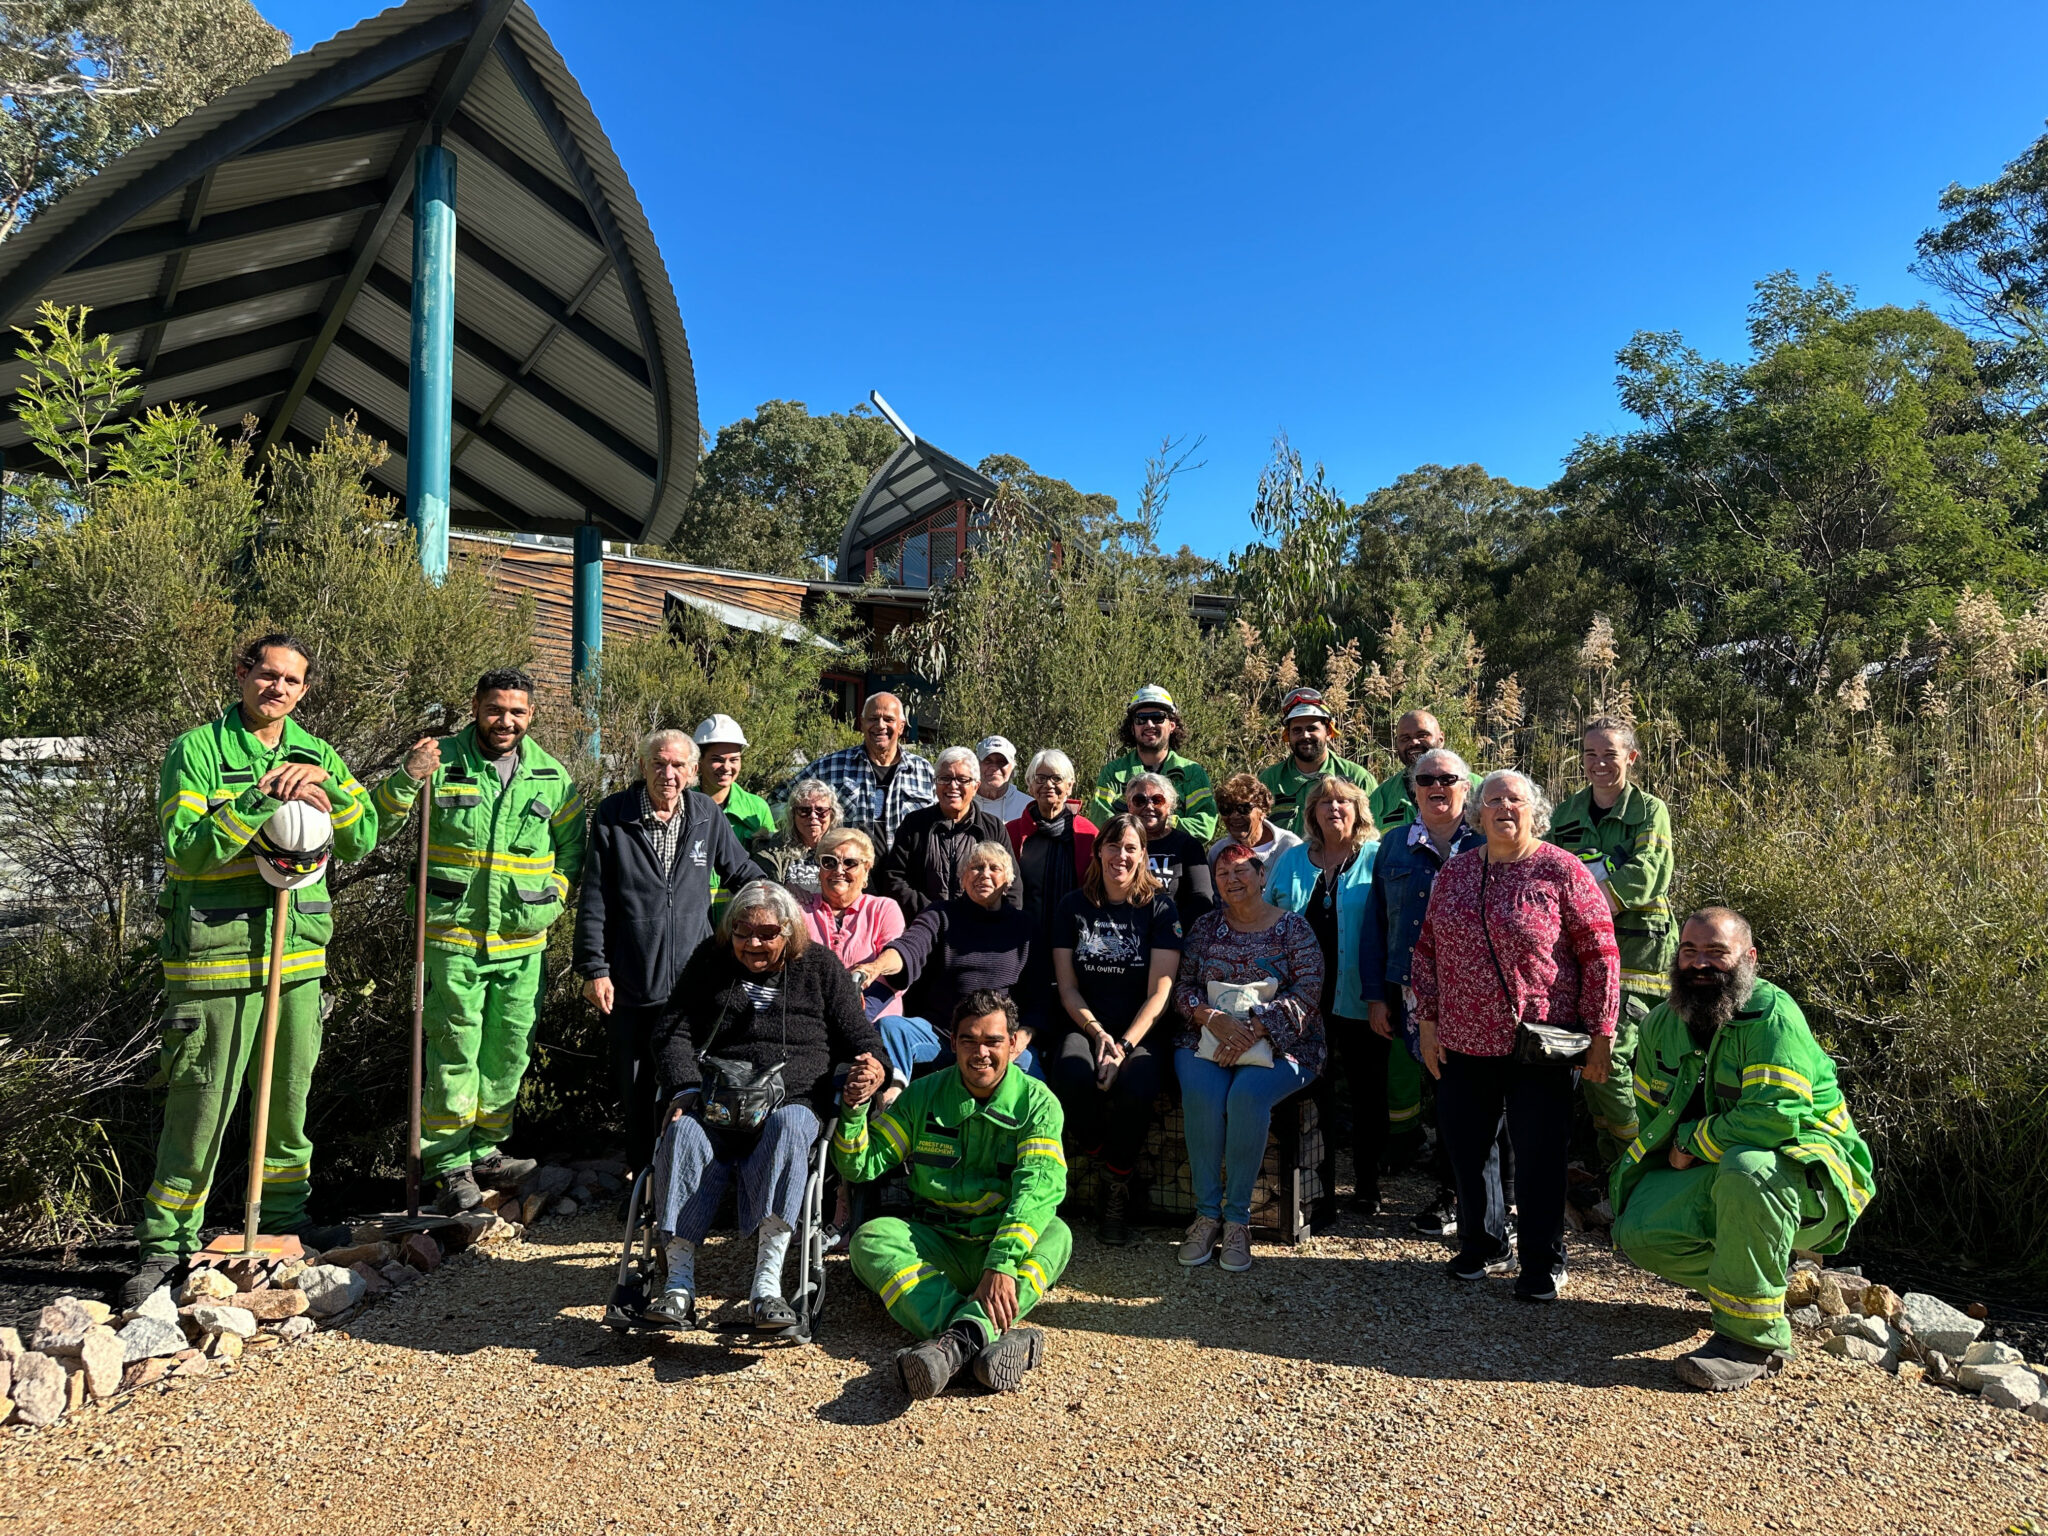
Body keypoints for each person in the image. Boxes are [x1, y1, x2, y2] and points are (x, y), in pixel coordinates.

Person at [125, 634, 378, 1305]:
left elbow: (363, 835)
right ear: (242, 675)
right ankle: (167, 1246)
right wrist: (261, 799)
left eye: (292, 682)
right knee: (200, 1104)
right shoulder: (198, 752)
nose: (279, 690)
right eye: (268, 676)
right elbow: (185, 850)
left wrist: (331, 789)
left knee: (289, 1098)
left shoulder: (315, 752)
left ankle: (285, 1223)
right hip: (214, 960)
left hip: (295, 958)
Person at [1611, 907, 1876, 1392]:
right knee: (1639, 1230)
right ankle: (1753, 1283)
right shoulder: (1660, 1027)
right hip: (1727, 1173)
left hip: (1814, 1180)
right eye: (1689, 951)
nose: (1700, 964)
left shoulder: (1772, 1017)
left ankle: (1750, 1342)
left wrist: (1692, 1141)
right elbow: (1654, 1123)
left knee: (1747, 1167)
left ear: (1749, 958)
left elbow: (1773, 1120)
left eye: (1716, 952)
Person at [374, 668, 586, 1215]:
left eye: (517, 711)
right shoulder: (440, 758)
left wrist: (554, 897)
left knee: (508, 1053)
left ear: (532, 715)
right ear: (475, 707)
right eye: (496, 709)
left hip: (521, 943)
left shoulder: (551, 775)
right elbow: (379, 823)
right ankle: (447, 1165)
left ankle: (485, 1149)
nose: (505, 721)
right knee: (453, 1053)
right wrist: (406, 776)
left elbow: (572, 854)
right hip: (449, 941)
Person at [1410, 769, 1619, 1303]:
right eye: (1494, 798)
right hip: (1461, 1039)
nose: (1504, 806)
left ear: (1535, 812)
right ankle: (1484, 1245)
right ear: (1477, 813)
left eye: (1515, 799)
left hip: (1540, 1042)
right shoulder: (1455, 873)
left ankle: (1544, 1261)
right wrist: (1427, 1026)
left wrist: (1601, 1033)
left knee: (1539, 1155)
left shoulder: (1562, 870)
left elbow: (1601, 954)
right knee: (1468, 1149)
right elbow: (1428, 953)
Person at [644, 881, 885, 1330]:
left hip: (788, 1100)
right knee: (681, 1131)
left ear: (789, 931)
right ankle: (677, 1286)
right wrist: (684, 1088)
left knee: (793, 1126)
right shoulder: (710, 962)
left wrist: (873, 1068)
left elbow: (863, 1038)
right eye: (742, 932)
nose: (753, 943)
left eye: (767, 933)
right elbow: (671, 1032)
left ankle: (767, 1286)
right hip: (716, 1096)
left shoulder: (818, 966)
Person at [837, 991, 1070, 1399]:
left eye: (993, 1041)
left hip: (998, 1247)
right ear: (952, 1043)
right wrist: (855, 1110)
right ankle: (978, 1334)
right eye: (969, 1040)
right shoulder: (923, 1095)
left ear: (1014, 1044)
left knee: (1057, 1235)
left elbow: (1038, 1187)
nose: (981, 1053)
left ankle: (950, 1350)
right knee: (869, 1241)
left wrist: (1000, 1262)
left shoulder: (1038, 1105)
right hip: (936, 1242)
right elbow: (861, 1165)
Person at [575, 729, 765, 1171]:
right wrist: (594, 968)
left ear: (693, 771)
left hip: (692, 983)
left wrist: (785, 904)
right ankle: (643, 1182)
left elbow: (740, 871)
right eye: (659, 763)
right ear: (643, 766)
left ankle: (688, 1182)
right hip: (630, 981)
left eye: (679, 765)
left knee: (692, 1084)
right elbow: (594, 898)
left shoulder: (704, 814)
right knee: (637, 1089)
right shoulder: (614, 816)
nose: (668, 774)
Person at [1359, 747, 1495, 1237]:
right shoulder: (1393, 845)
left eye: (1448, 777)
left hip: (1470, 994)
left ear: (1466, 786)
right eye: (1426, 778)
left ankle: (1457, 1194)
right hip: (1407, 991)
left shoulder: (1486, 841)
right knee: (1430, 1087)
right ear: (1412, 789)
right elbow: (1376, 925)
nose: (1437, 785)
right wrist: (1376, 994)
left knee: (1458, 1094)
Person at [1172, 843, 1324, 1274]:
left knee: (1246, 1097)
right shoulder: (1203, 929)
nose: (1232, 879)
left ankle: (1237, 1220)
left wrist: (1254, 1030)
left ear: (1262, 875)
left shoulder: (1294, 929)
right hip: (1204, 1038)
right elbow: (1182, 986)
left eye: (1242, 870)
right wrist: (1210, 1016)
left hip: (1286, 1044)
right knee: (1201, 1094)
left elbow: (1308, 991)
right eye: (1222, 874)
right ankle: (1206, 1216)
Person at [1546, 716, 1677, 1173]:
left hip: (1638, 956)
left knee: (1610, 1058)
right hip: (1579, 958)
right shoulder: (1564, 815)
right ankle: (1611, 1174)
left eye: (1609, 755)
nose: (1599, 764)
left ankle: (1637, 1168)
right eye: (1590, 754)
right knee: (1587, 1063)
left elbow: (1649, 872)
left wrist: (1587, 906)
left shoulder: (1649, 811)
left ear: (1631, 758)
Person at [1050, 813, 1183, 1244]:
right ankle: (1107, 1161)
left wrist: (1123, 1044)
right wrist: (1098, 1036)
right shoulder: (1072, 906)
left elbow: (1160, 992)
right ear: (1098, 851)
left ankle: (1116, 1190)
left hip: (1140, 1030)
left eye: (1130, 848)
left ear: (1143, 855)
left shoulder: (1160, 908)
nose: (1120, 856)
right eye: (1112, 846)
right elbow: (1068, 989)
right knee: (1070, 1074)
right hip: (1087, 1023)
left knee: (1139, 1083)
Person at [1262, 775, 1382, 1224]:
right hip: (1300, 1004)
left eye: (1343, 802)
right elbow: (1268, 915)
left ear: (1358, 810)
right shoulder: (1293, 860)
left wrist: (1384, 995)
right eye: (1324, 802)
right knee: (1314, 1096)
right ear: (1310, 813)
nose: (1334, 808)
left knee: (1368, 1094)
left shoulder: (1377, 856)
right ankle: (1318, 1190)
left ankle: (1368, 1186)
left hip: (1360, 998)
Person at [851, 842, 1041, 1085]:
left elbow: (1040, 997)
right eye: (975, 867)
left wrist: (1023, 1036)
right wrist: (874, 967)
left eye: (994, 868)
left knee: (1034, 1082)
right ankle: (894, 1100)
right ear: (962, 878)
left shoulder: (1026, 928)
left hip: (999, 1041)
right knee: (891, 1028)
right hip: (941, 1034)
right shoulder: (940, 915)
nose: (984, 874)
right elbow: (910, 947)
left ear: (1008, 881)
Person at [1006, 749, 1098, 1008]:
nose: (1048, 784)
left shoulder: (1089, 835)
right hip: (1021, 945)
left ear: (1070, 785)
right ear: (1029, 784)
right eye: (1040, 777)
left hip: (1075, 945)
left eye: (1057, 778)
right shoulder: (1010, 833)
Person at [881, 746, 1013, 918]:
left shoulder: (993, 828)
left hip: (980, 929)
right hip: (923, 928)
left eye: (962, 779)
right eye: (945, 778)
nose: (953, 786)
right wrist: (934, 914)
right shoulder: (914, 824)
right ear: (935, 783)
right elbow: (894, 879)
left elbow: (1011, 883)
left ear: (976, 786)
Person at [798, 692, 933, 855]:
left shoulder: (923, 771)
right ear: (862, 723)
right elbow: (782, 800)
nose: (880, 725)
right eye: (873, 719)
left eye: (889, 719)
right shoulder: (829, 767)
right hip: (845, 873)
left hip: (907, 877)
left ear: (901, 726)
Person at [1087, 685, 1219, 842]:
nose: (1149, 724)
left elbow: (1204, 827)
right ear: (1132, 727)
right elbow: (1100, 819)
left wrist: (1158, 821)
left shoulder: (1192, 773)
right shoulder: (1113, 772)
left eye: (1158, 717)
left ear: (1172, 725)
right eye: (1141, 719)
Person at [1256, 688, 1377, 835]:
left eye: (1312, 728)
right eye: (1297, 730)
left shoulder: (1358, 778)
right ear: (1288, 735)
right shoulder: (1269, 780)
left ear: (1328, 732)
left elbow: (1374, 834)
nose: (1304, 735)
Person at [1124, 771, 1214, 927]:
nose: (1149, 806)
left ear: (1170, 805)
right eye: (1140, 800)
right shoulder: (1118, 844)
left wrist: (1171, 930)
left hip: (1174, 935)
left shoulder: (1188, 846)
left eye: (1157, 800)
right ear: (1129, 806)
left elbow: (1202, 899)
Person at [1366, 710, 1477, 834]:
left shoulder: (1480, 788)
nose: (1413, 742)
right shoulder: (1381, 797)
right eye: (1405, 738)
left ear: (1441, 739)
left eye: (1422, 735)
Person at [694, 715, 776, 848]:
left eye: (734, 760)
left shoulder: (758, 808)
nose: (726, 767)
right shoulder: (682, 804)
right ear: (699, 761)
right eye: (717, 760)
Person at [754, 778, 841, 897]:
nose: (813, 816)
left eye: (821, 810)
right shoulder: (771, 850)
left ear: (831, 815)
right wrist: (783, 888)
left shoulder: (843, 850)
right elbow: (760, 890)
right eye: (804, 810)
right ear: (792, 815)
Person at [1210, 772, 1301, 865]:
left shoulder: (1290, 847)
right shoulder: (1217, 853)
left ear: (1263, 809)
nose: (1234, 816)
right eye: (1226, 809)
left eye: (1243, 808)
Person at [975, 735, 1033, 823]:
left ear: (1013, 769)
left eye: (1002, 762)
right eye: (988, 761)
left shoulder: (1029, 807)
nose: (994, 767)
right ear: (976, 765)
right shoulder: (962, 804)